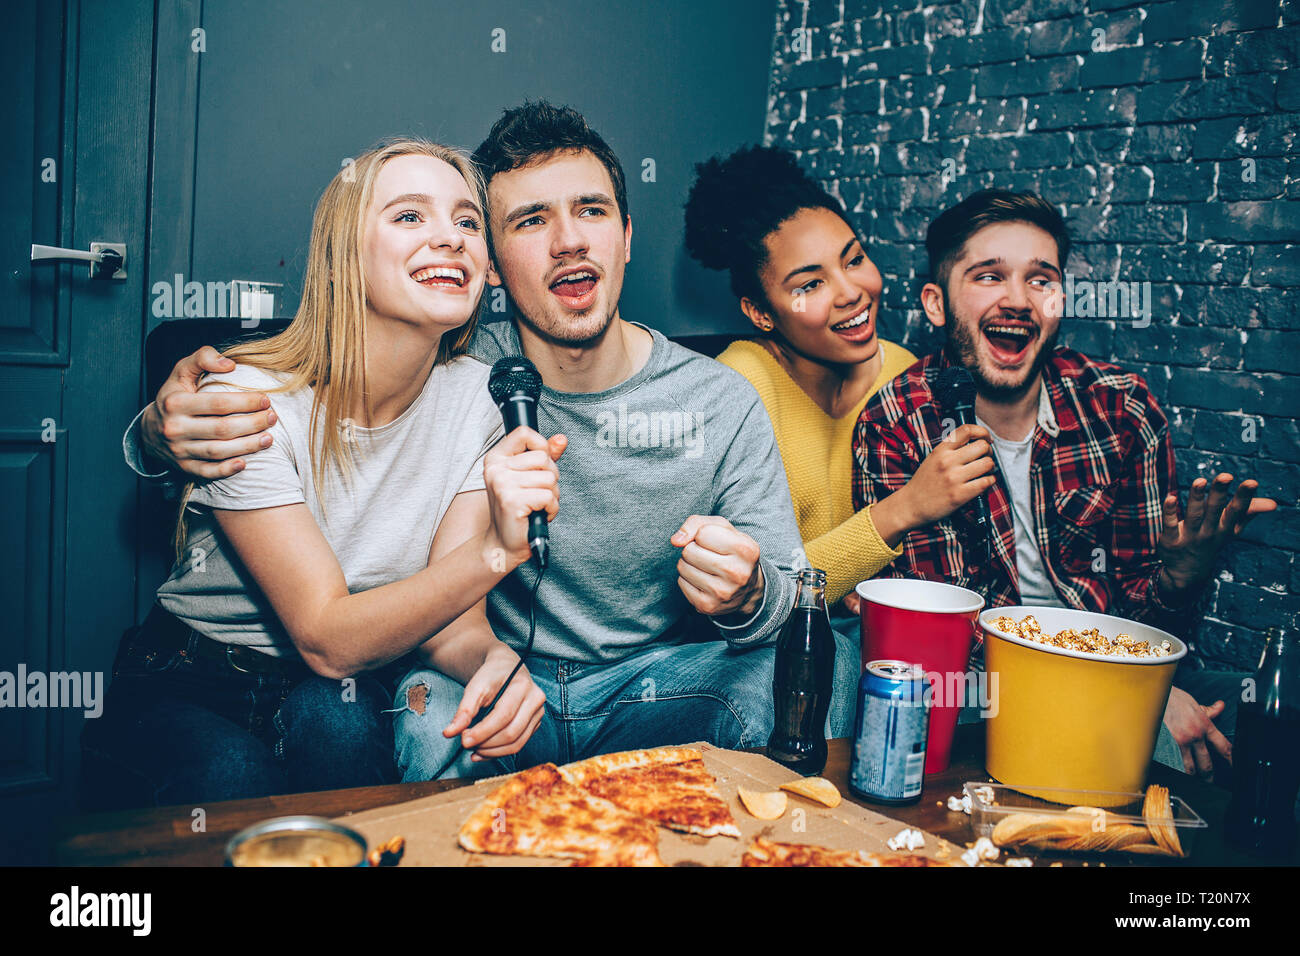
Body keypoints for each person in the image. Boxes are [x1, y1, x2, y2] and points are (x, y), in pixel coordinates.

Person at [120, 102, 805, 781]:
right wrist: (154, 433)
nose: (568, 241)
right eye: (531, 221)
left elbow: (790, 584)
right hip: (230, 668)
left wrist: (748, 593)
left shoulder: (500, 393)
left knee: (813, 659)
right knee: (327, 740)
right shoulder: (462, 385)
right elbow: (345, 626)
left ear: (626, 235)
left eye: (591, 211)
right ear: (499, 267)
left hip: (623, 682)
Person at [84, 139, 560, 808]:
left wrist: (496, 664)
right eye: (409, 217)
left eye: (467, 221)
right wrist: (496, 552)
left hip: (340, 684)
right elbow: (326, 636)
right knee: (231, 781)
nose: (449, 238)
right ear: (343, 257)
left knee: (344, 731)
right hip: (193, 676)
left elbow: (453, 626)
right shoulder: (246, 402)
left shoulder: (482, 399)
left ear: (487, 269)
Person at [852, 188, 1277, 779]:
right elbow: (946, 646)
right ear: (937, 303)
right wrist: (1129, 705)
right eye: (989, 276)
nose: (1019, 300)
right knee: (1159, 744)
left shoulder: (1122, 410)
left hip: (1122, 671)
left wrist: (1180, 577)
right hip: (984, 697)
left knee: (1271, 716)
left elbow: (1144, 626)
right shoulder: (896, 426)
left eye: (1041, 279)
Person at [683, 146, 1002, 733]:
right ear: (759, 311)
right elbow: (758, 592)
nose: (851, 292)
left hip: (893, 643)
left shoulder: (906, 376)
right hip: (765, 652)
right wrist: (905, 509)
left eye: (854, 260)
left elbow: (947, 565)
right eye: (810, 284)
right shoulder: (737, 386)